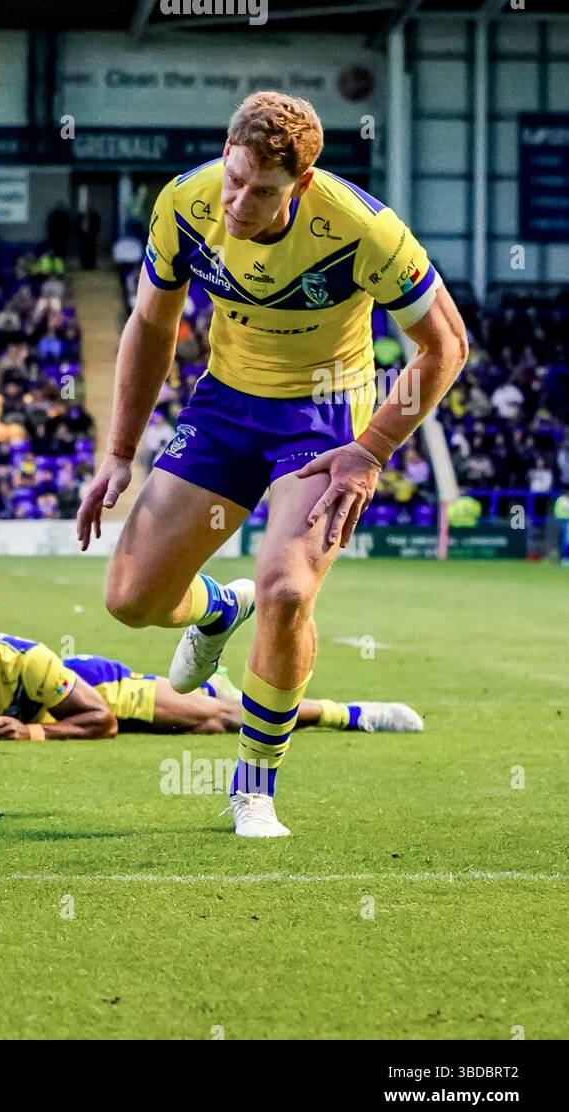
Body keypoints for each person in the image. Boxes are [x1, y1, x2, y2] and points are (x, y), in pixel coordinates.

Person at [76, 91, 468, 837]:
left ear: (304, 183)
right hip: (225, 406)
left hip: (324, 419)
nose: (237, 201)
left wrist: (372, 447)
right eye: (232, 177)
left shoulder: (365, 231)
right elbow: (153, 323)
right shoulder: (183, 205)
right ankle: (220, 609)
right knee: (131, 601)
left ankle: (253, 786)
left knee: (287, 590)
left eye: (261, 190)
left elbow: (445, 346)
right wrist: (120, 452)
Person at [0, 633, 423, 741]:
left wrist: (33, 736)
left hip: (100, 688)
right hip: (62, 699)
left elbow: (102, 722)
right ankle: (210, 684)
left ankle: (355, 713)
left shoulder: (29, 663)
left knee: (227, 721)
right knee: (217, 712)